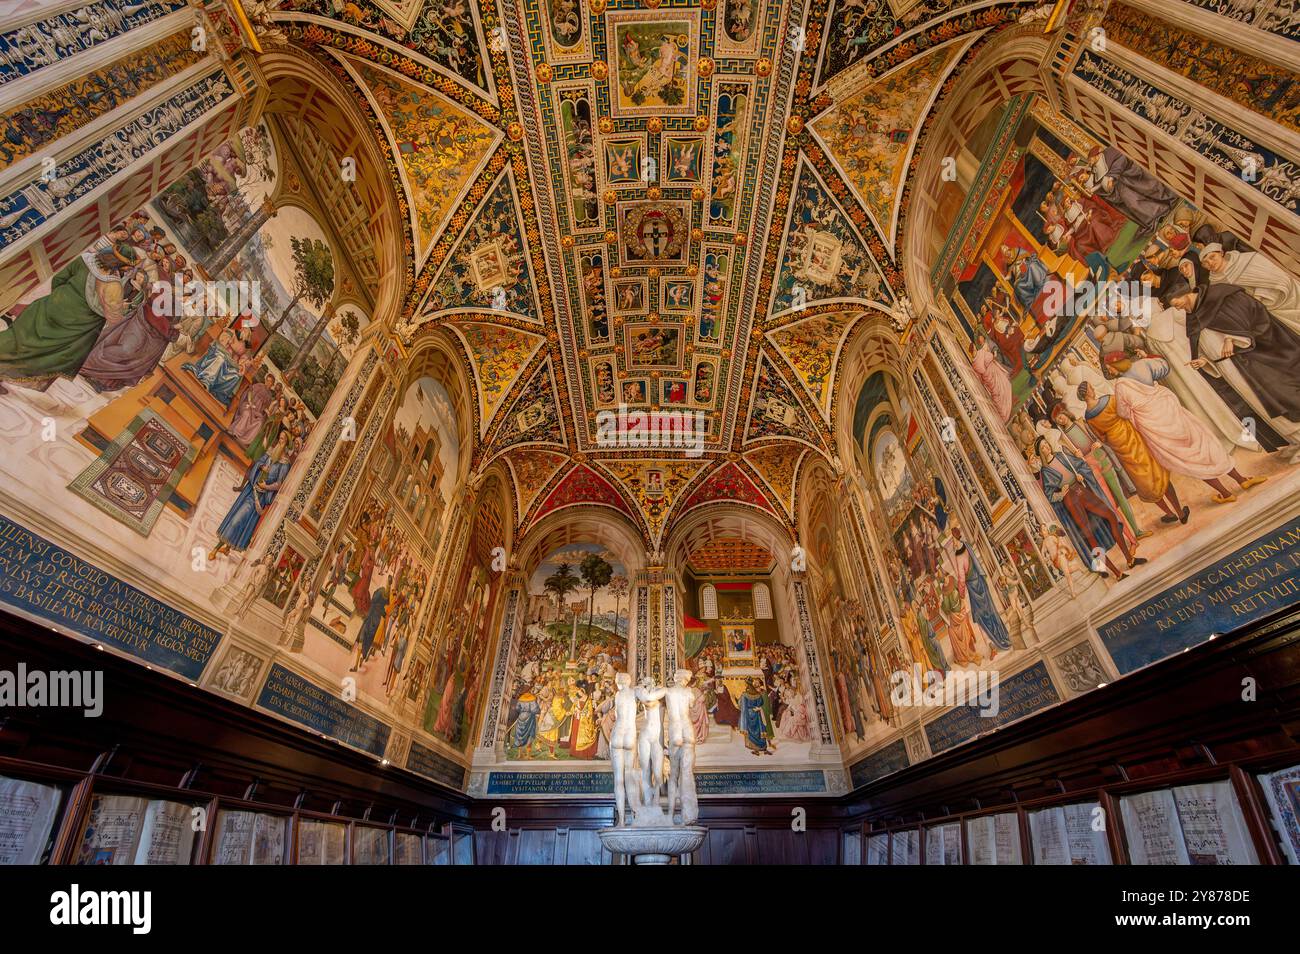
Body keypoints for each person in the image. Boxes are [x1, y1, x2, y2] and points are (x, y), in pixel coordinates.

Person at [1167, 277, 1300, 462]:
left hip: (1250, 360)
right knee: (1258, 405)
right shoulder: (1194, 317)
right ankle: (1292, 440)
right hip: (1228, 369)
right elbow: (1208, 345)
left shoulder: (1220, 296)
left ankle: (1298, 436)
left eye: (1177, 303)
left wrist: (1232, 339)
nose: (1178, 308)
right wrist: (1206, 362)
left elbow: (1253, 318)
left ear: (1185, 294)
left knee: (1274, 398)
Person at [209, 431, 293, 559]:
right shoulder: (271, 452)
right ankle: (219, 548)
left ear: (287, 443)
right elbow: (259, 462)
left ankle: (224, 548)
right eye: (280, 438)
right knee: (236, 519)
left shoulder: (285, 463)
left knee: (241, 522)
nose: (280, 441)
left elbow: (279, 484)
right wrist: (262, 467)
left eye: (283, 439)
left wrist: (266, 486)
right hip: (251, 490)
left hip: (260, 497)